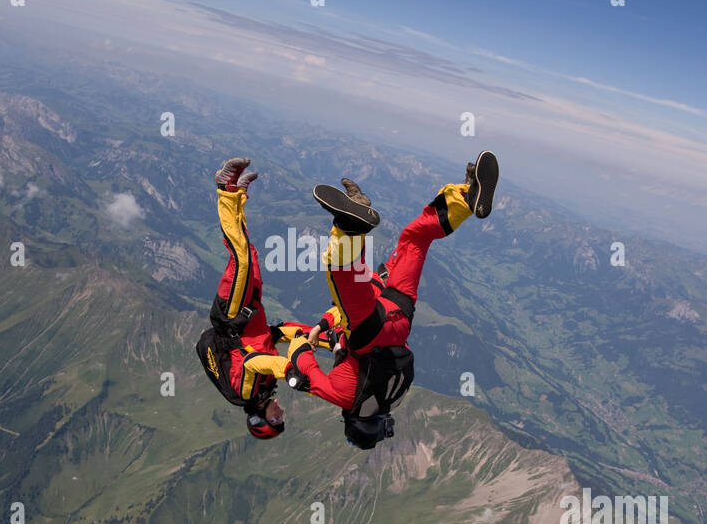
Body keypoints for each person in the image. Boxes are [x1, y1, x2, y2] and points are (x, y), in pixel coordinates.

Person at [284, 153, 499, 449]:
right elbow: (302, 364)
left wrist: (328, 328)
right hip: (368, 330)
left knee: (415, 241)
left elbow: (394, 353)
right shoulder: (344, 398)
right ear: (351, 420)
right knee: (340, 274)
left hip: (399, 315)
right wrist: (302, 344)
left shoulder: (394, 394)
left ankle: (466, 198)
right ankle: (350, 227)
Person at [195, 157, 329, 439]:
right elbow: (277, 334)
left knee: (240, 259)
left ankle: (224, 189)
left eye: (275, 420)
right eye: (281, 420)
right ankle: (237, 195)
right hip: (252, 313)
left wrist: (287, 369)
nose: (281, 415)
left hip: (233, 317)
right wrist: (327, 339)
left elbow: (252, 361)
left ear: (259, 418)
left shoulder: (245, 392)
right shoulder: (265, 386)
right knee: (250, 254)